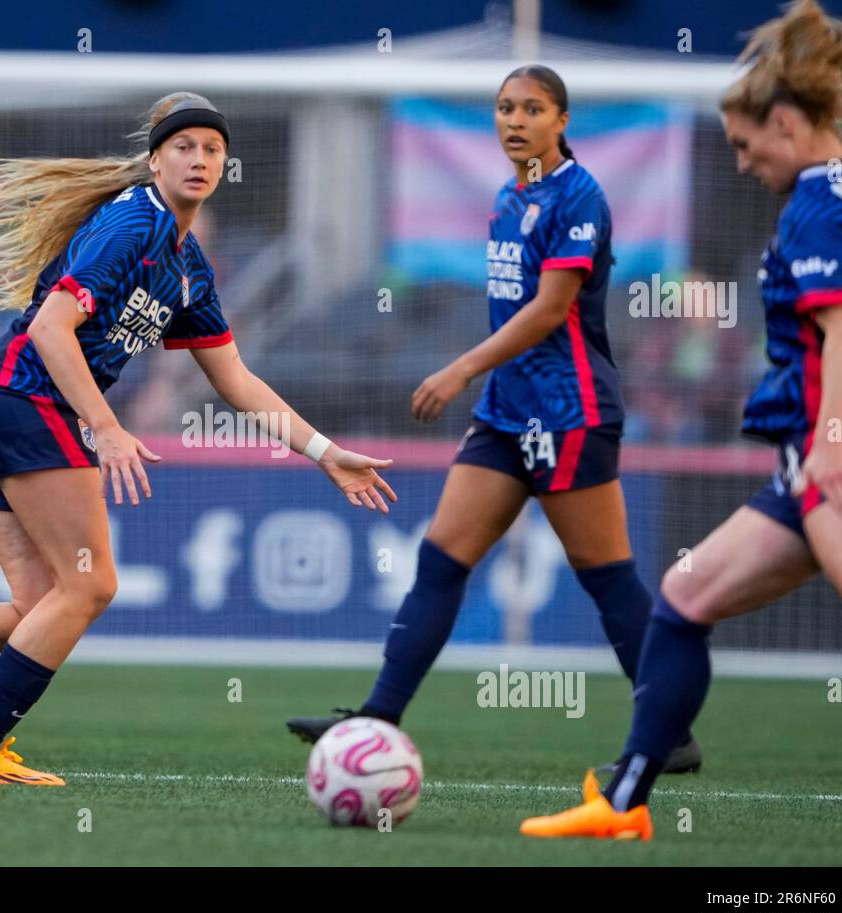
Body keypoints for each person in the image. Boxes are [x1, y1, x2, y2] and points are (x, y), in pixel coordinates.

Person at [0, 93, 397, 784]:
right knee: (91, 586)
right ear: (155, 159)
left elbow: (236, 381)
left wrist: (325, 453)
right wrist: (108, 427)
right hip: (26, 401)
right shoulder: (131, 224)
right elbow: (50, 329)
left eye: (212, 149)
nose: (200, 159)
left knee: (39, 609)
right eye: (185, 146)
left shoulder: (187, 268)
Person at [521, 0, 842, 840]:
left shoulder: (818, 206)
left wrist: (831, 443)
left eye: (746, 141)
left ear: (788, 121)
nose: (742, 158)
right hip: (830, 441)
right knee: (685, 597)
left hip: (841, 438)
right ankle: (622, 808)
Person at [287, 65, 700, 773]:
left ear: (561, 120)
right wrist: (484, 381)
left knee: (604, 573)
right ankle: (379, 716)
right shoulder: (510, 195)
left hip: (570, 412)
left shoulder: (580, 196)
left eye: (531, 109)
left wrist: (459, 368)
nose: (514, 120)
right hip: (506, 414)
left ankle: (670, 734)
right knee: (442, 556)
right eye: (505, 108)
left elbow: (548, 311)